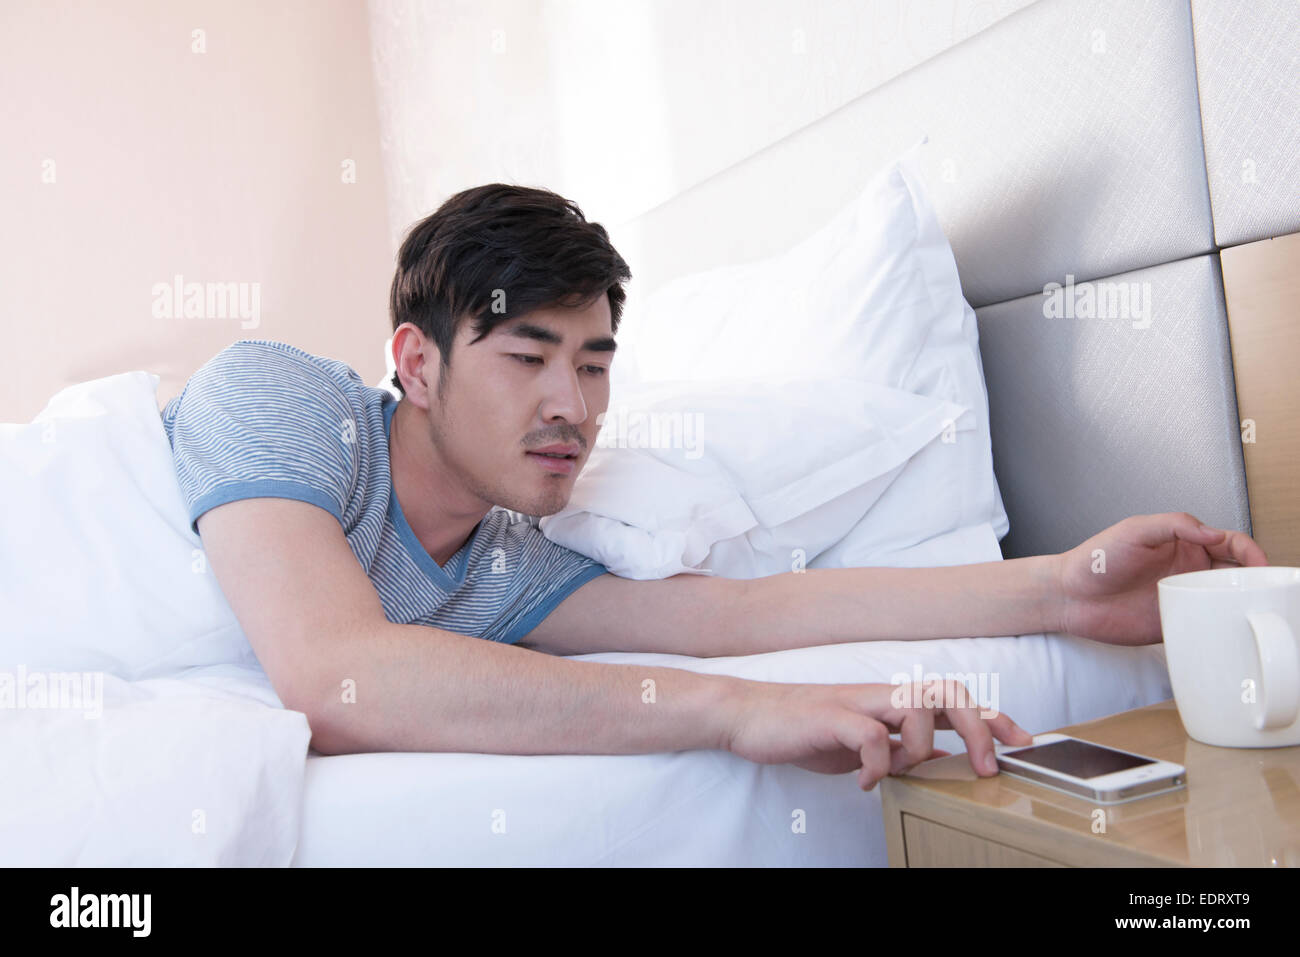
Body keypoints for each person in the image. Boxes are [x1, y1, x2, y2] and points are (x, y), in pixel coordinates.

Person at [161, 184, 1268, 792]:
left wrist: (1063, 589)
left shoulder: (502, 567)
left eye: (594, 364)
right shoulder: (279, 398)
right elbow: (338, 678)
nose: (571, 407)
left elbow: (743, 612)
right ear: (415, 362)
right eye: (527, 356)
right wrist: (737, 714)